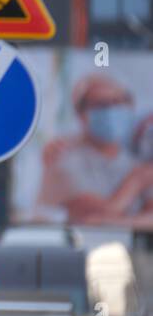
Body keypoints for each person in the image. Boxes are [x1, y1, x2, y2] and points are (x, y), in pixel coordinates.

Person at [37, 75, 153, 225]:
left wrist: (111, 221)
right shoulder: (61, 158)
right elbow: (93, 217)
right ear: (81, 114)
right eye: (102, 104)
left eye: (119, 102)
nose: (113, 110)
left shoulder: (135, 162)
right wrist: (136, 182)